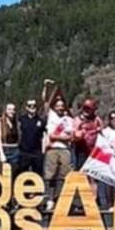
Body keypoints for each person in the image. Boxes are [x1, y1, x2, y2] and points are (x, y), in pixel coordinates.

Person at [41, 79, 74, 211]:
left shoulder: (69, 120)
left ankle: (62, 198)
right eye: (58, 105)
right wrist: (46, 87)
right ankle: (49, 199)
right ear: (55, 107)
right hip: (52, 149)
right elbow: (45, 102)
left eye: (62, 105)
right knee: (50, 176)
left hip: (65, 150)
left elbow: (71, 136)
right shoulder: (51, 115)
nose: (60, 107)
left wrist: (59, 137)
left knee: (65, 176)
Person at [16, 97, 46, 179]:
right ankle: (23, 191)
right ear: (26, 107)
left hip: (37, 152)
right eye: (30, 105)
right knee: (22, 174)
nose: (32, 107)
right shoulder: (21, 119)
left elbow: (44, 136)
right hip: (24, 151)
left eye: (34, 105)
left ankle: (36, 192)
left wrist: (43, 151)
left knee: (38, 175)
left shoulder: (41, 120)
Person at [0, 103, 20, 170]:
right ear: (5, 111)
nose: (11, 111)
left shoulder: (16, 123)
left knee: (14, 172)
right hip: (4, 149)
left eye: (13, 109)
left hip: (15, 150)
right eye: (9, 109)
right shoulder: (0, 122)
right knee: (1, 171)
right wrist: (1, 153)